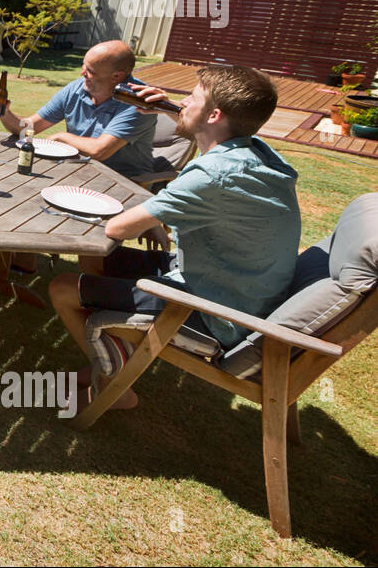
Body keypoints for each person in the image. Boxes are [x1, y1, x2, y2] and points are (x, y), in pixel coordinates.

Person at [47, 65, 301, 410]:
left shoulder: (214, 175)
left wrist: (151, 212)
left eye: (191, 98)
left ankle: (116, 388)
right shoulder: (254, 152)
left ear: (213, 114)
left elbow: (117, 228)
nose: (182, 102)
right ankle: (109, 356)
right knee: (97, 260)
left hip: (214, 311)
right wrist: (168, 108)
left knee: (62, 287)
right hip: (231, 284)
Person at [0, 40, 157, 179]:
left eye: (90, 70)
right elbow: (29, 128)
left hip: (123, 182)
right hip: (77, 170)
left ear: (117, 76)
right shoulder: (76, 89)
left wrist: (62, 137)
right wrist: (5, 113)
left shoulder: (138, 102)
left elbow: (100, 150)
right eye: (84, 65)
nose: (82, 73)